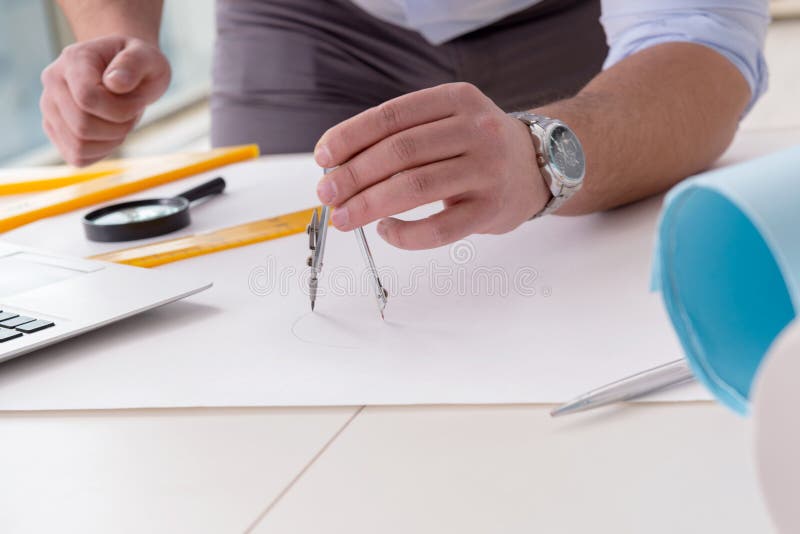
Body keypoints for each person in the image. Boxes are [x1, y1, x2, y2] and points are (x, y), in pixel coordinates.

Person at [41, 0, 768, 250]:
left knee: (590, 265)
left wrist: (543, 154)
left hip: (565, 19)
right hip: (308, 22)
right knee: (263, 272)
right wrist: (114, 33)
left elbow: (700, 40)